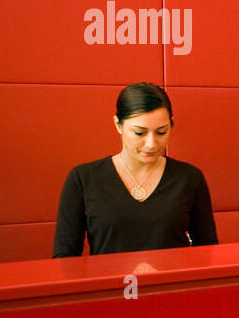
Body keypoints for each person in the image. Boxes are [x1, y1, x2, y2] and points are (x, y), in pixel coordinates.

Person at [52, 83, 218, 258]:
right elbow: (65, 258)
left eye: (161, 132)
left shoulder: (189, 178)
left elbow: (207, 252)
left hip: (172, 284)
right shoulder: (83, 179)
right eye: (139, 133)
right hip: (111, 284)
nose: (152, 144)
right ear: (118, 125)